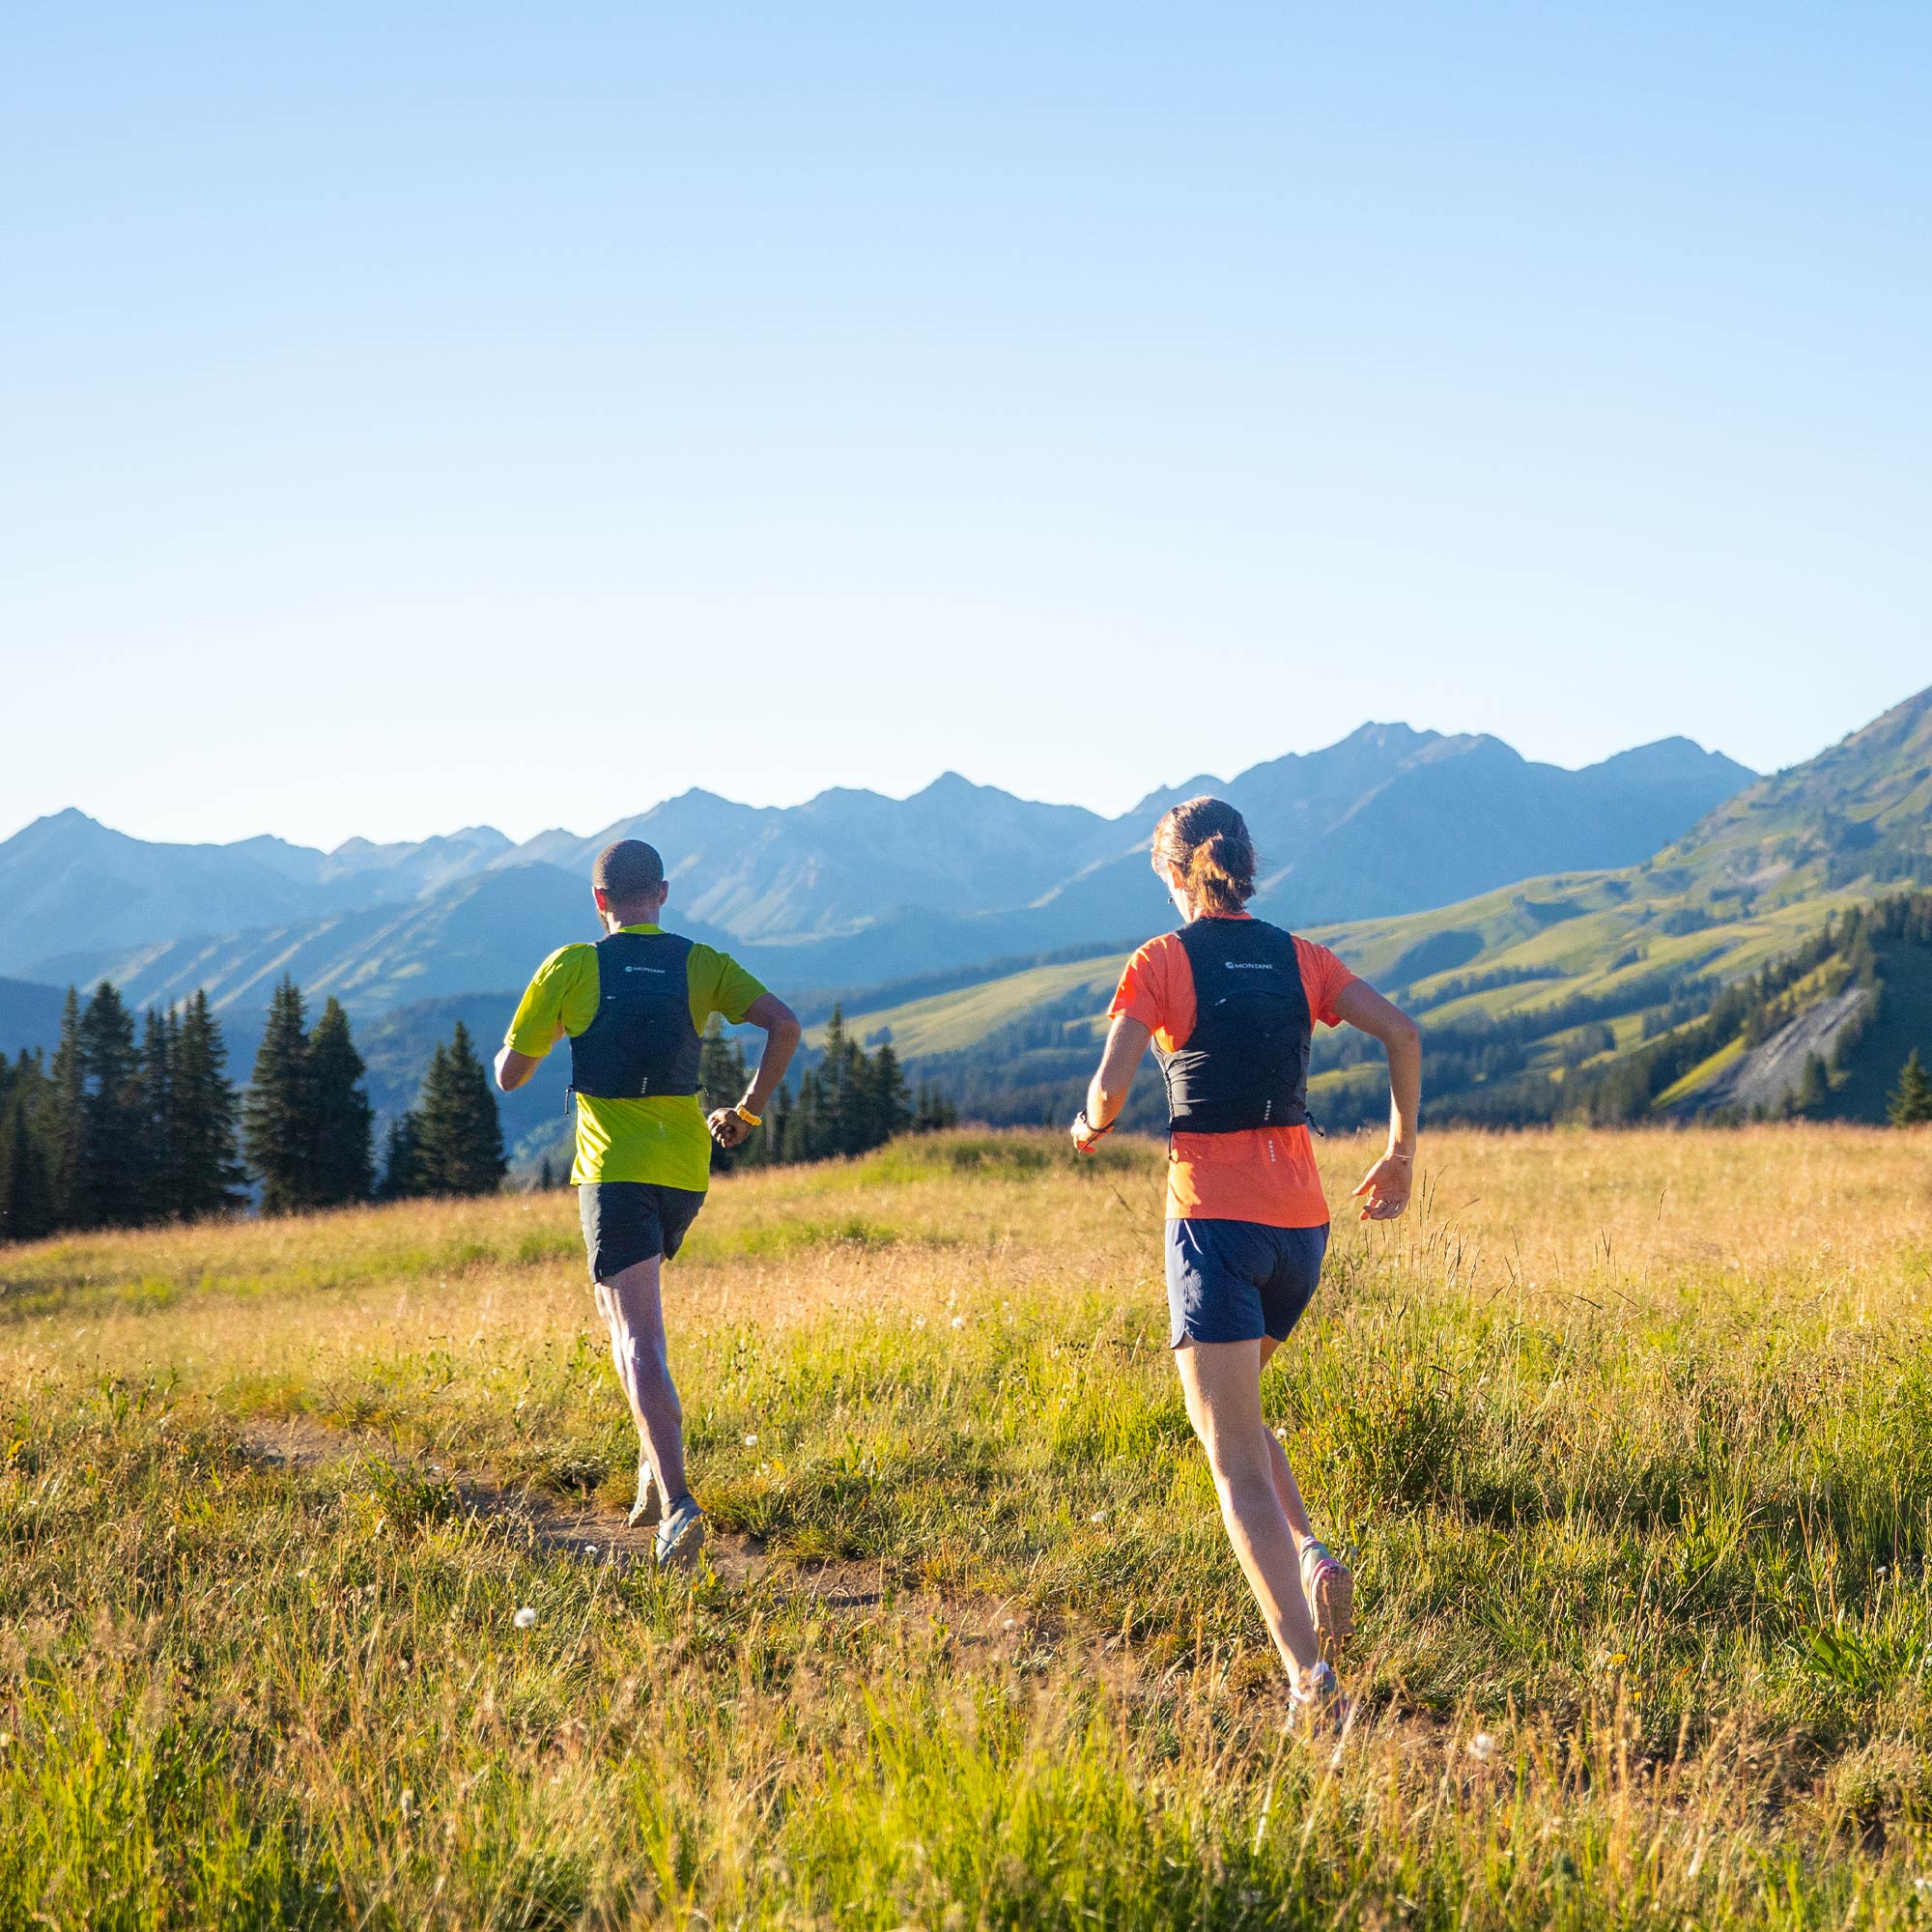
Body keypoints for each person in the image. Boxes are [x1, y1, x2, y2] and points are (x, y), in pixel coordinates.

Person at [1071, 796, 1420, 1728]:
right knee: (1235, 1412)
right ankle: (1309, 1553)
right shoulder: (1301, 957)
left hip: (1214, 1226)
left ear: (1175, 873)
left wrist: (1088, 1127)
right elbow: (1403, 1032)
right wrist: (1399, 1155)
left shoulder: (1161, 960)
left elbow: (1110, 1086)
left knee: (1230, 1461)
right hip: (1301, 1231)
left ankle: (1311, 1682)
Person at [495, 838, 800, 1570]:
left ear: (598, 901)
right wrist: (748, 1112)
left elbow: (510, 1076)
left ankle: (678, 1503)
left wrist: (550, 1030)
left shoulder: (571, 966)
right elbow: (785, 1024)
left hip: (614, 1175)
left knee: (638, 1338)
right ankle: (649, 1462)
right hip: (685, 1171)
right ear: (661, 893)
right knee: (617, 1319)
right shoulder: (700, 963)